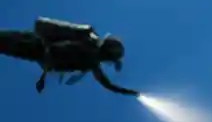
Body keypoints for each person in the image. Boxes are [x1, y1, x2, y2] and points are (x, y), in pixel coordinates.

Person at [0, 17, 137, 97]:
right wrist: (130, 93)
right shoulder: (91, 51)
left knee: (7, 42)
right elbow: (108, 85)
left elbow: (108, 85)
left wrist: (130, 92)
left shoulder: (91, 51)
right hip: (39, 47)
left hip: (39, 48)